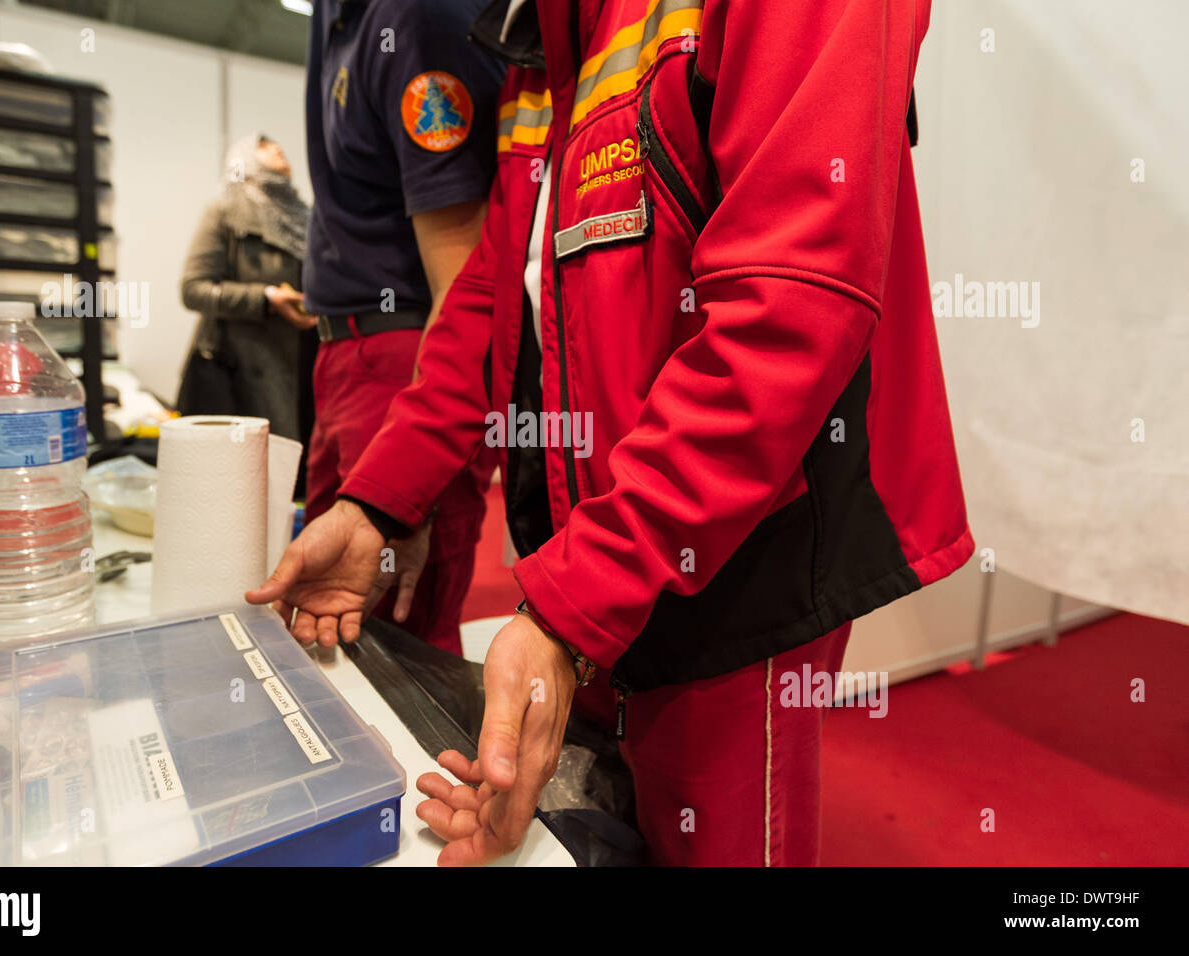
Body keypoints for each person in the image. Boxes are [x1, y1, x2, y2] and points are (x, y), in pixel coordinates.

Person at [250, 0, 974, 866]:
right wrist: (377, 500)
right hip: (610, 554)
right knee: (612, 829)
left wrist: (576, 600)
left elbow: (787, 311)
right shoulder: (542, 39)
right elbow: (490, 299)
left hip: (741, 557)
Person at [294, 0, 504, 654]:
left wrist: (412, 489)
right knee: (328, 632)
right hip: (344, 353)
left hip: (407, 359)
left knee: (392, 644)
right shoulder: (335, 15)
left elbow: (466, 280)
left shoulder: (418, 15)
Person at [178, 133, 318, 460]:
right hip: (242, 374)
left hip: (306, 367)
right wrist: (266, 298)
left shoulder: (307, 217)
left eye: (275, 142)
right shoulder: (226, 209)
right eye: (263, 144)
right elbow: (193, 289)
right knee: (243, 477)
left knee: (296, 479)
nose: (275, 146)